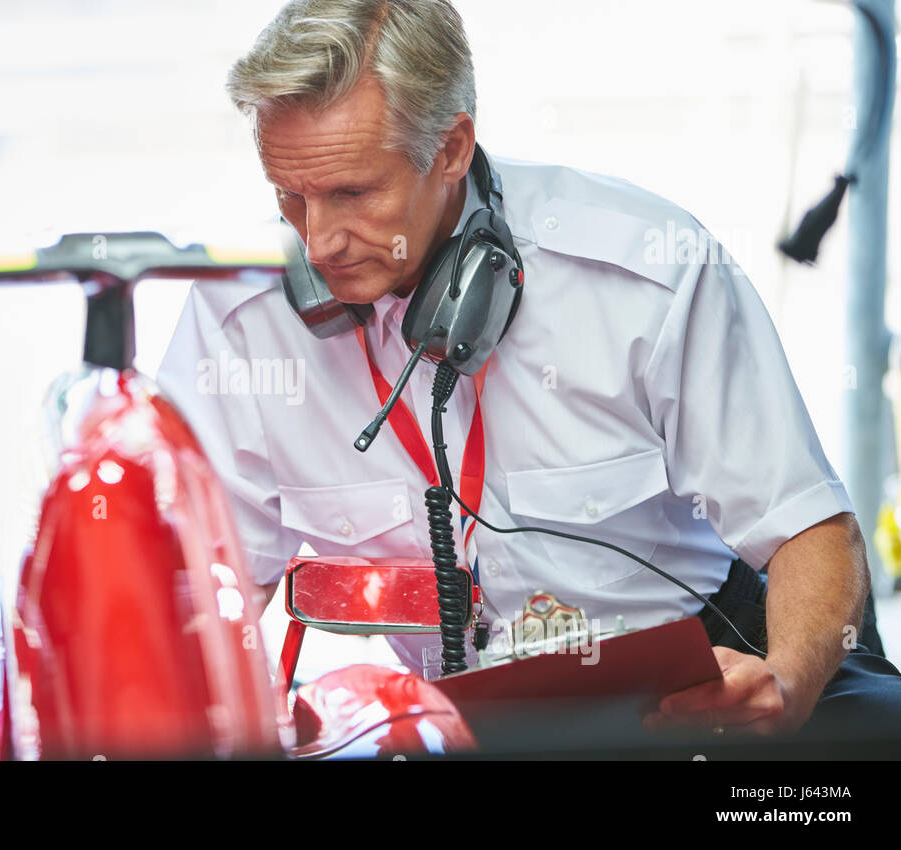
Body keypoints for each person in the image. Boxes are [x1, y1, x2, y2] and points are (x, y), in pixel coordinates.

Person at [156, 0, 901, 743]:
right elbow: (198, 593)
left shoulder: (645, 270)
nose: (316, 243)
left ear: (450, 150)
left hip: (689, 674)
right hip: (457, 715)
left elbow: (809, 527)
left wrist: (788, 680)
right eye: (289, 195)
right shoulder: (238, 323)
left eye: (352, 193)